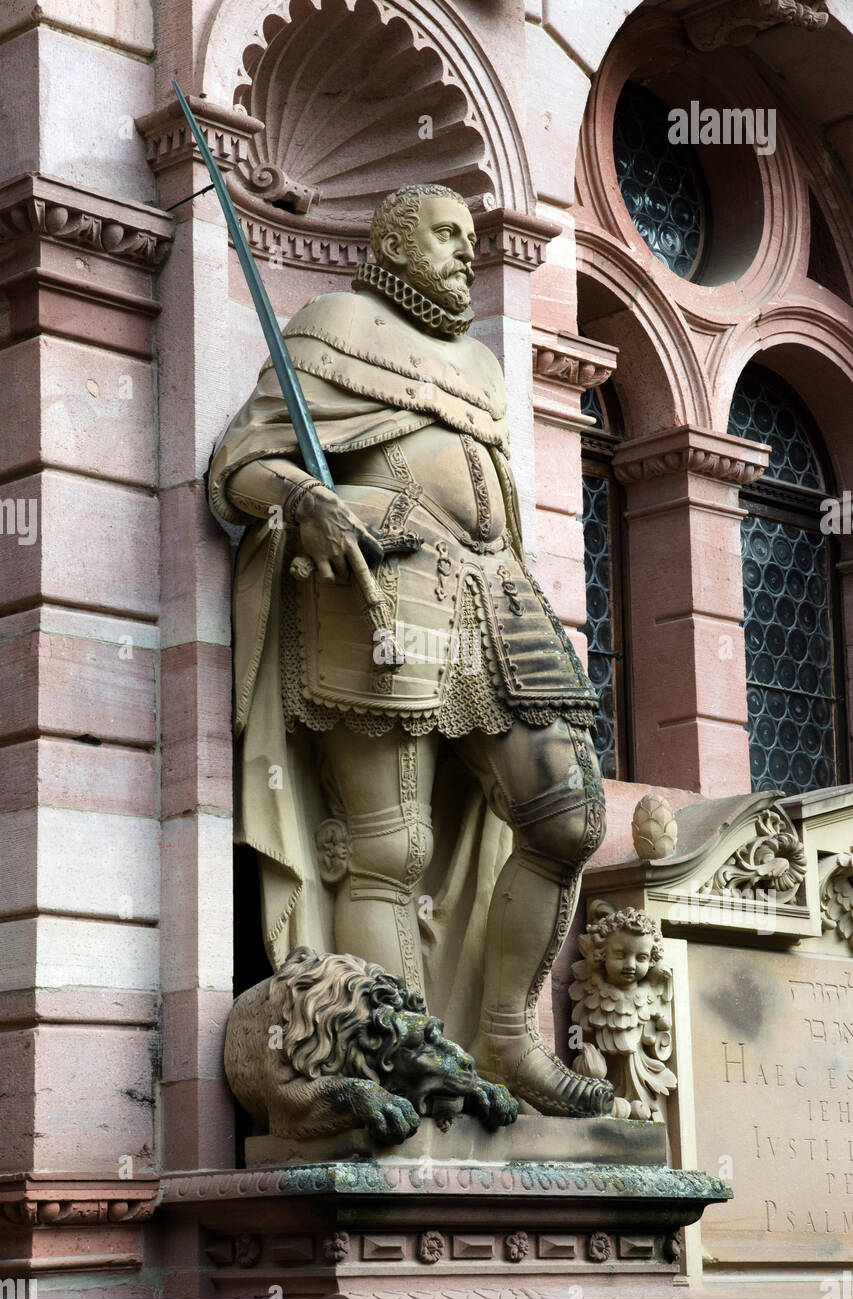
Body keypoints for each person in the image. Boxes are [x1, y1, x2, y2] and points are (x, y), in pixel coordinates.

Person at [209, 183, 612, 1118]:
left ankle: (508, 1039)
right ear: (391, 242)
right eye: (443, 233)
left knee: (565, 818)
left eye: (471, 236)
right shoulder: (330, 323)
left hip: (496, 596)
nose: (464, 251)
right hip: (382, 592)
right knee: (390, 848)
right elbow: (239, 468)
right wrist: (301, 497)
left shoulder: (479, 363)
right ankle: (408, 1062)